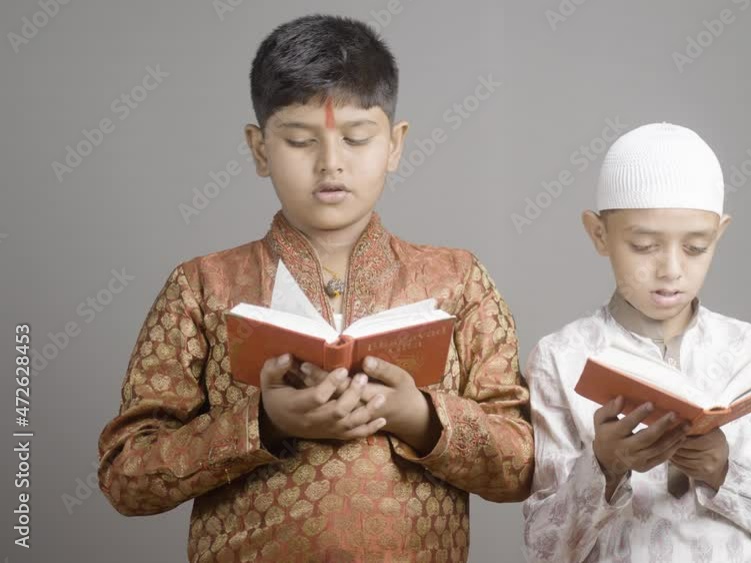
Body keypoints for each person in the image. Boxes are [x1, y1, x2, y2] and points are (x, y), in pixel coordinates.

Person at [97, 14, 533, 562]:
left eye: (356, 138)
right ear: (259, 149)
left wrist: (419, 418)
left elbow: (522, 466)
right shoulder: (203, 287)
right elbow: (125, 475)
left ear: (395, 145)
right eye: (301, 141)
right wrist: (261, 423)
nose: (331, 163)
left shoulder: (457, 281)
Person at [522, 123, 751, 562]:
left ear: (719, 235)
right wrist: (605, 467)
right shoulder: (563, 358)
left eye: (696, 247)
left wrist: (725, 472)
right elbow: (543, 549)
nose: (671, 269)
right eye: (644, 246)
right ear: (599, 234)